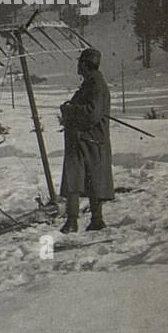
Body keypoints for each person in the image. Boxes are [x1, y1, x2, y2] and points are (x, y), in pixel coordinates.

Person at [59, 47, 114, 233]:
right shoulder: (90, 83)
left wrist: (69, 111)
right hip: (86, 140)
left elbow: (92, 114)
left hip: (88, 141)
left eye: (80, 62)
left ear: (85, 64)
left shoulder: (96, 84)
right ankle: (91, 221)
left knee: (76, 180)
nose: (78, 65)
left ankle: (74, 222)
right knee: (89, 180)